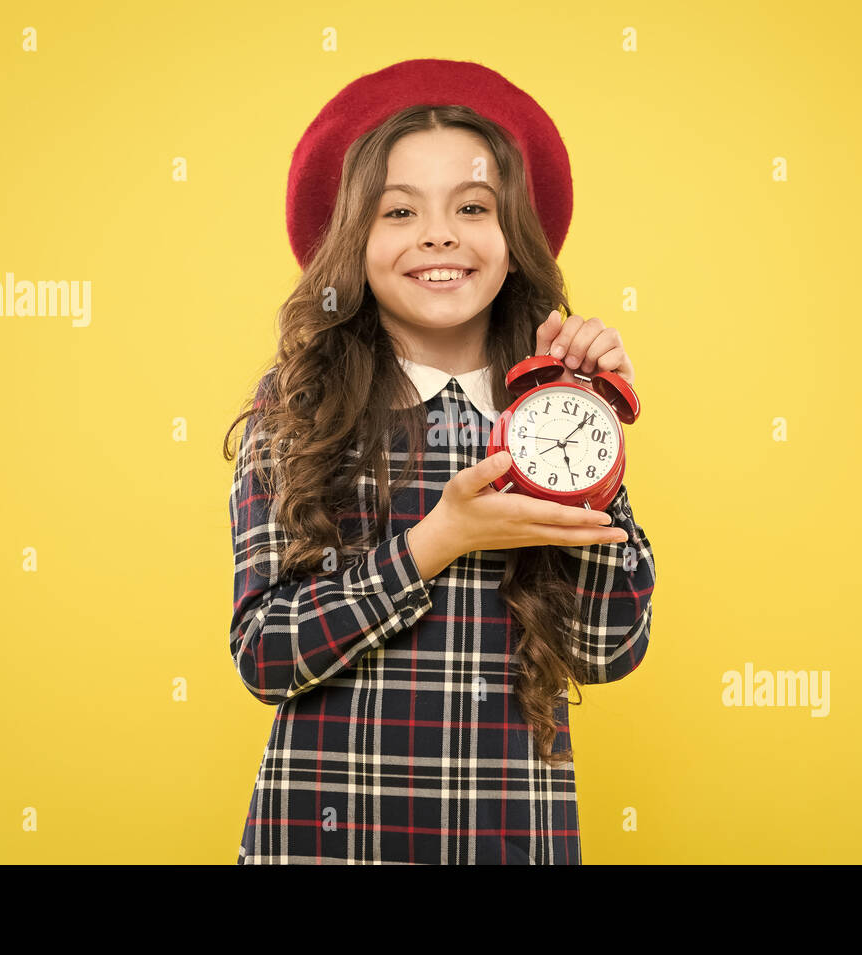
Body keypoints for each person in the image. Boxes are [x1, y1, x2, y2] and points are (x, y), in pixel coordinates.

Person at [223, 59, 656, 864]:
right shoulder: (300, 410)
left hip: (510, 841)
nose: (440, 234)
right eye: (399, 210)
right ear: (353, 239)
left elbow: (609, 646)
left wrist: (593, 431)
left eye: (471, 206)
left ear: (513, 237)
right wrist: (437, 539)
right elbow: (264, 652)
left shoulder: (549, 415)